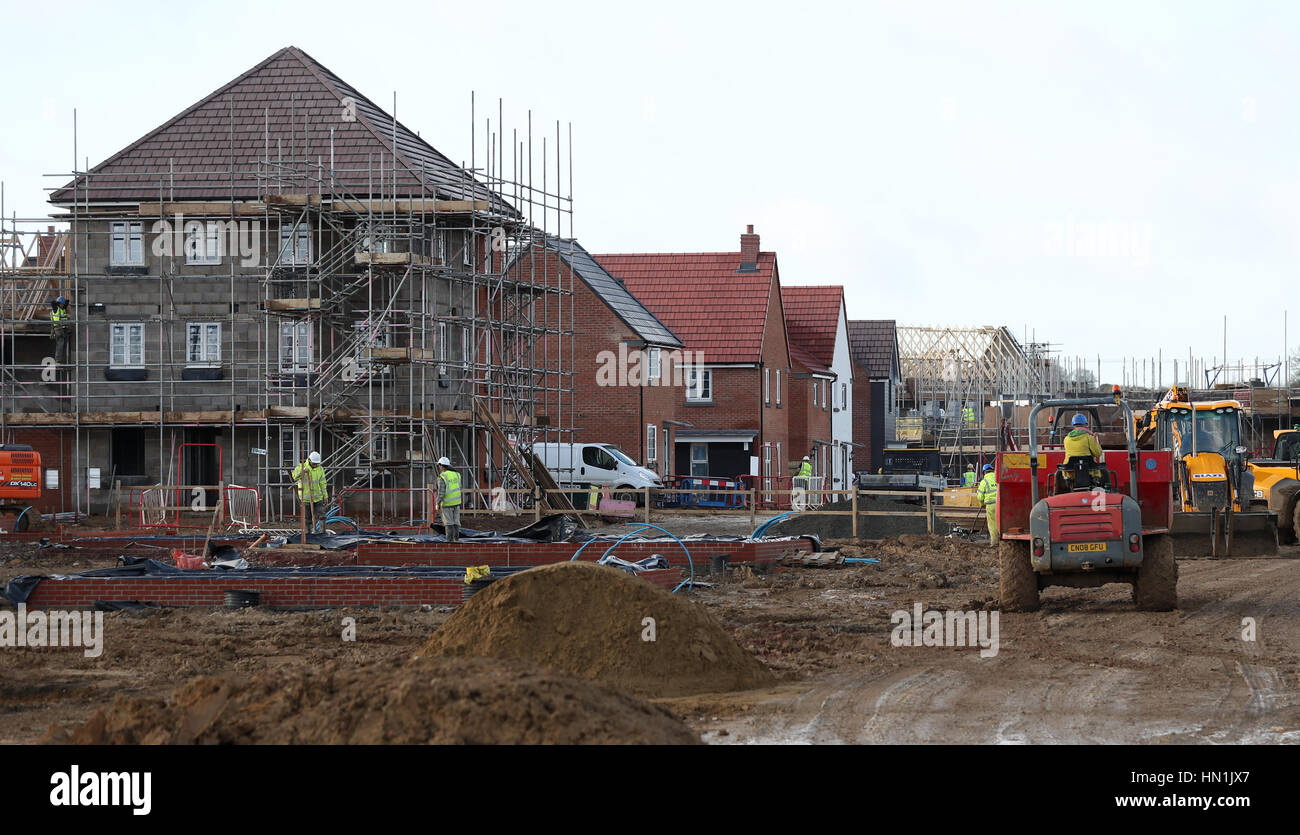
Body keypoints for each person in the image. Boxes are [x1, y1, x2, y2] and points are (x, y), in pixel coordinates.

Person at [291, 451, 329, 528]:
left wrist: (325, 496)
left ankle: (322, 534)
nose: (315, 465)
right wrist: (302, 471)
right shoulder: (301, 466)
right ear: (309, 460)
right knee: (307, 519)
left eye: (316, 464)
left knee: (322, 516)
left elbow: (323, 483)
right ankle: (308, 534)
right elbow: (294, 477)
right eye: (314, 464)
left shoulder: (320, 469)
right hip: (306, 499)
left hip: (318, 498)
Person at [435, 456, 462, 543]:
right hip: (457, 503)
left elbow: (441, 493)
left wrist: (437, 503)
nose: (439, 468)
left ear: (441, 465)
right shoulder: (457, 474)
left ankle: (449, 541)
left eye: (439, 466)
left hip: (447, 504)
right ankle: (456, 540)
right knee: (456, 522)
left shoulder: (443, 476)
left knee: (448, 523)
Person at [976, 463, 998, 545]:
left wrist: (981, 504)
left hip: (991, 505)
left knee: (992, 525)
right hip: (1001, 504)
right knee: (1001, 523)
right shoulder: (998, 478)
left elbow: (980, 497)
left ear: (984, 472)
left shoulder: (984, 481)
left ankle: (995, 543)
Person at [49, 296, 70, 366]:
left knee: (64, 345)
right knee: (60, 345)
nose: (63, 305)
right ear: (59, 303)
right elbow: (52, 303)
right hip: (58, 329)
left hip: (64, 329)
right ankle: (57, 361)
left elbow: (66, 304)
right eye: (61, 304)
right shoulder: (56, 309)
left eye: (63, 304)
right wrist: (57, 302)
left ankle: (62, 360)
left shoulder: (62, 309)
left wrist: (66, 302)